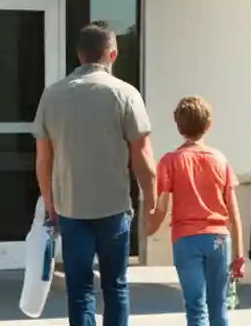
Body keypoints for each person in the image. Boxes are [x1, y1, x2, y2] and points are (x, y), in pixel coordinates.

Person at [34, 22, 156, 326]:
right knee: (115, 286)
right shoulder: (126, 94)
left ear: (79, 55)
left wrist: (50, 203)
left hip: (71, 208)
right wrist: (152, 202)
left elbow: (43, 159)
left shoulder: (52, 95)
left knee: (79, 288)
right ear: (112, 54)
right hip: (113, 207)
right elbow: (142, 155)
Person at [146, 96, 246, 326]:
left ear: (178, 127)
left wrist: (148, 227)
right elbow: (233, 211)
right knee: (219, 305)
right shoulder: (220, 160)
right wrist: (239, 254)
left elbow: (161, 206)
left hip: (186, 239)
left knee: (195, 307)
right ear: (208, 126)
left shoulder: (169, 161)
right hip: (219, 238)